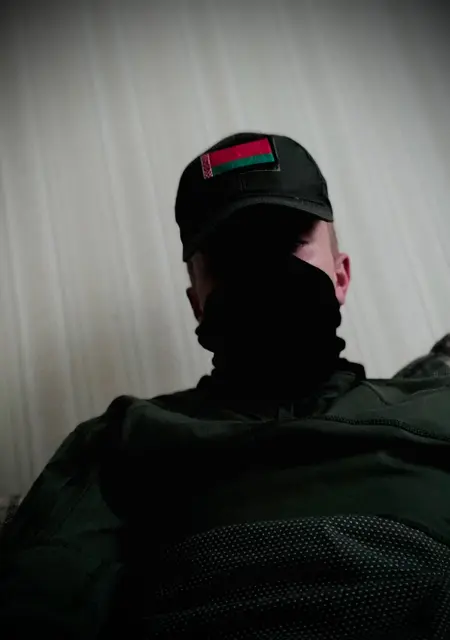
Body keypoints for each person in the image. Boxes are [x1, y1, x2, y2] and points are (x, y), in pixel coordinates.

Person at [1, 133, 450, 640]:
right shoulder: (121, 438)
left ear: (341, 275)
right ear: (196, 303)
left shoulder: (439, 408)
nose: (262, 273)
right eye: (229, 257)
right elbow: (38, 601)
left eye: (287, 242)